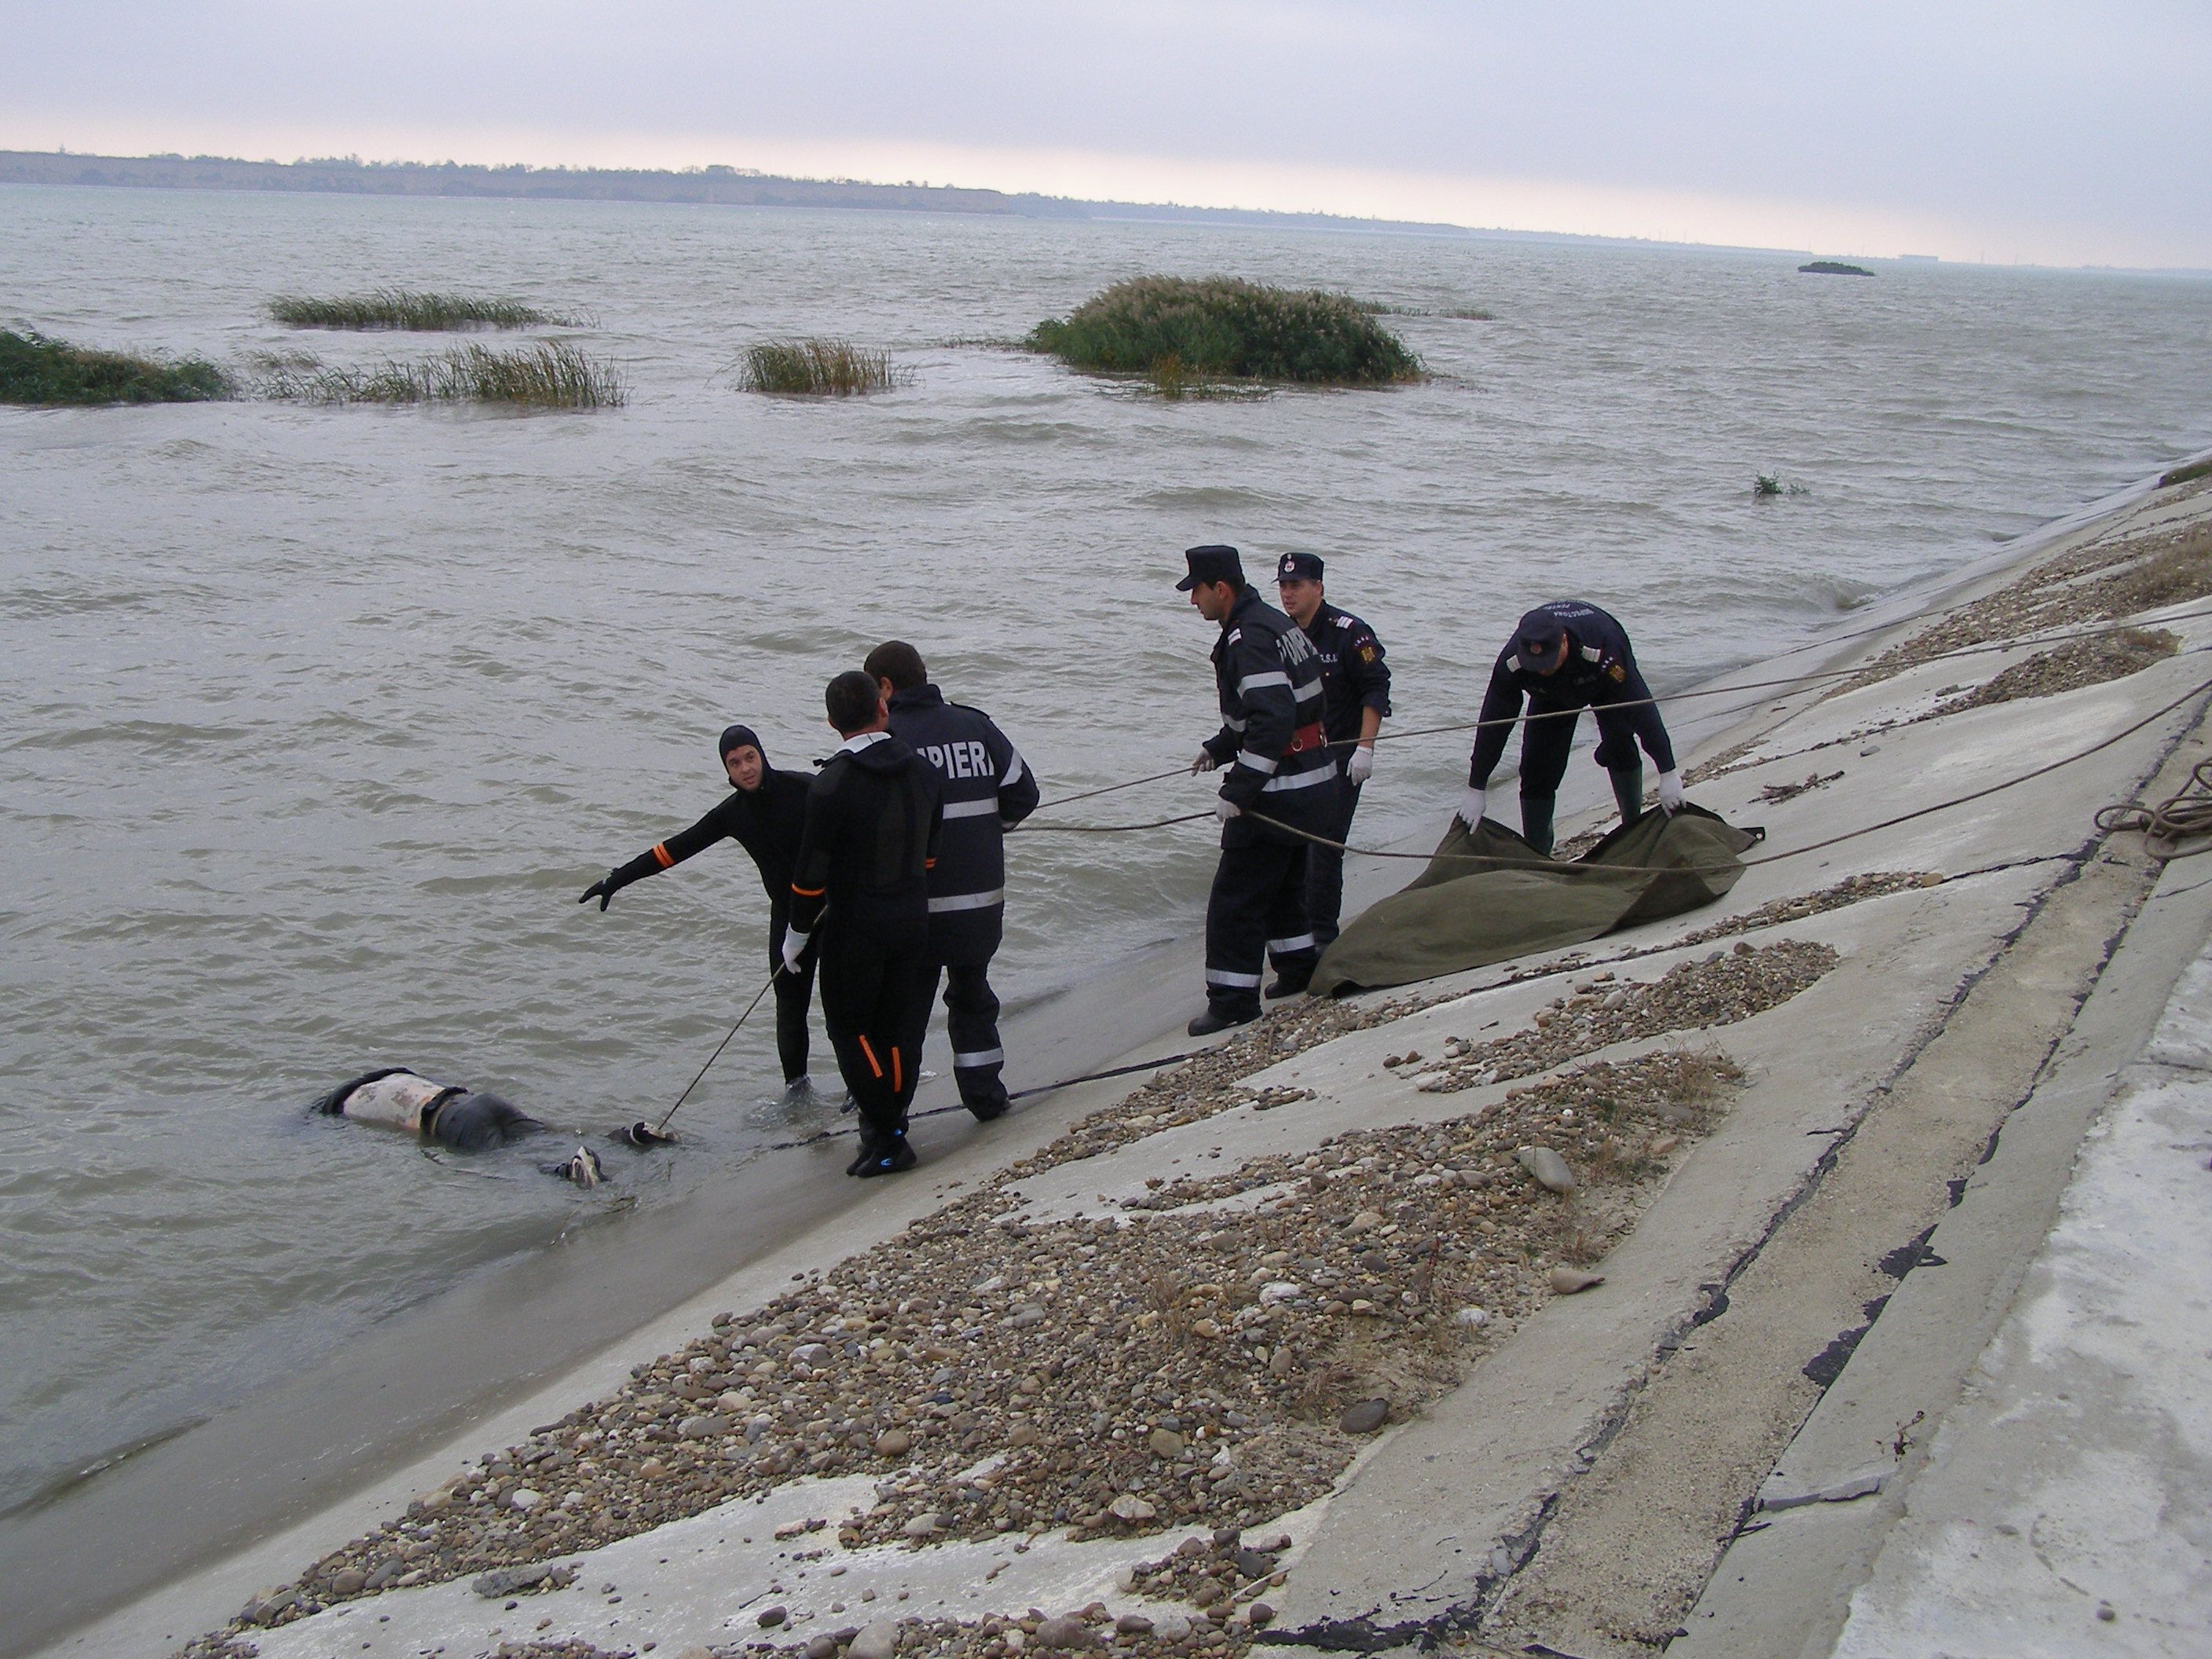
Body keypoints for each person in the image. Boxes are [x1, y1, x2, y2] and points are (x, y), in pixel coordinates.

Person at [579, 724, 822, 1096]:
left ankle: (862, 1087)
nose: (745, 768)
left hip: (831, 910)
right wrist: (617, 879)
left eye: (750, 757)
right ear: (727, 771)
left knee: (844, 1004)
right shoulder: (733, 813)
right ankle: (798, 1092)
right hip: (787, 917)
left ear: (762, 754)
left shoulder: (804, 788)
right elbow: (674, 850)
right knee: (789, 1008)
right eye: (734, 762)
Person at [865, 641, 1041, 1121]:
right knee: (973, 996)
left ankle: (891, 1117)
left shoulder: (886, 741)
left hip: (916, 910)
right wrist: (987, 828)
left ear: (885, 688)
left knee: (905, 1017)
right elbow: (1025, 793)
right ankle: (985, 1096)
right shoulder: (974, 726)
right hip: (979, 904)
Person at [783, 670, 943, 1177]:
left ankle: (891, 1134)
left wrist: (796, 936)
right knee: (899, 1034)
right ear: (883, 708)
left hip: (858, 929)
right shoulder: (925, 771)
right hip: (915, 918)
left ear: (831, 722)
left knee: (851, 1032)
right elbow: (930, 857)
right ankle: (889, 1133)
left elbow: (809, 880)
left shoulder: (830, 785)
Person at [1180, 544, 1337, 1035]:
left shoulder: (1247, 639)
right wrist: (1220, 746)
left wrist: (1240, 790)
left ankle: (1232, 1000)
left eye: (1197, 592)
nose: (1193, 603)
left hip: (1280, 789)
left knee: (1236, 897)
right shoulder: (1274, 622)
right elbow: (1278, 709)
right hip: (1313, 781)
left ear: (1221, 589)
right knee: (1286, 882)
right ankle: (1298, 968)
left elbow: (1272, 719)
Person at [1458, 601, 1683, 855]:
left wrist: (1668, 771)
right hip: (1551, 698)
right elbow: (1494, 724)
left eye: (1548, 662)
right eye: (1535, 664)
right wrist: (1476, 786)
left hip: (1603, 683)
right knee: (1536, 771)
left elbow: (1641, 709)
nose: (1542, 669)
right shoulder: (1512, 662)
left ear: (1564, 642)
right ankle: (1539, 856)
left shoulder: (1602, 647)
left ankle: (1633, 831)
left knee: (1619, 744)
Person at [1273, 551, 1392, 950]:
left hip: (1342, 756)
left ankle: (1323, 940)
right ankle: (1295, 939)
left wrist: (1366, 749)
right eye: (1283, 587)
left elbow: (1376, 687)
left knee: (1324, 847)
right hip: (1297, 755)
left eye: (1297, 586)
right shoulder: (1280, 635)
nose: (1288, 595)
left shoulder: (1349, 632)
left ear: (1318, 588)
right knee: (1292, 847)